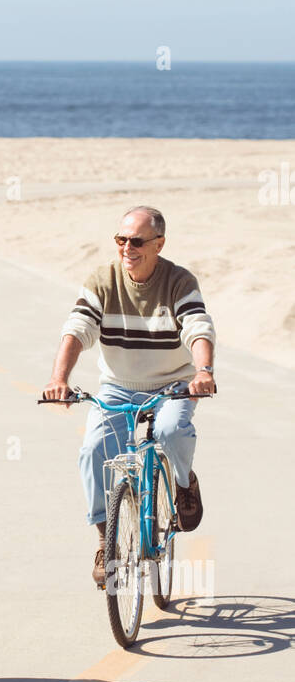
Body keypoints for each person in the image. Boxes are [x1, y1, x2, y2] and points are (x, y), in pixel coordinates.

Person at [42, 206, 215, 586]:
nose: (126, 248)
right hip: (119, 387)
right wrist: (59, 379)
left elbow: (198, 327)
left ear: (159, 244)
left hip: (174, 385)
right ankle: (107, 541)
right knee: (92, 451)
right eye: (121, 239)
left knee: (170, 433)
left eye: (136, 241)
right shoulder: (103, 279)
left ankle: (184, 482)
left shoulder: (179, 281)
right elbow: (77, 330)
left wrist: (203, 372)